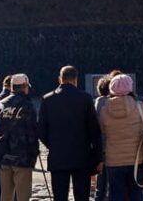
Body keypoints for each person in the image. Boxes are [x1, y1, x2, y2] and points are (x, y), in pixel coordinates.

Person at [38, 65, 103, 201]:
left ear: (59, 79)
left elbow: (42, 130)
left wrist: (53, 145)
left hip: (58, 156)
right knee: (82, 196)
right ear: (76, 80)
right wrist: (98, 156)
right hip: (82, 156)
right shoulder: (85, 98)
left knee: (60, 196)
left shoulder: (47, 99)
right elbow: (94, 130)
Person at [97, 74, 143, 201]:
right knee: (136, 193)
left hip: (113, 160)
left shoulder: (104, 109)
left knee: (115, 194)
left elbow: (102, 131)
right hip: (136, 159)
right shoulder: (139, 106)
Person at [0, 73, 39, 201]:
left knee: (5, 196)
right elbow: (33, 131)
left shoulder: (1, 104)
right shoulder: (27, 105)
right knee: (23, 196)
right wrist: (34, 153)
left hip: (4, 155)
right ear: (24, 87)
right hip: (22, 157)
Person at [93, 75, 114, 201]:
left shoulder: (98, 103)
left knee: (100, 184)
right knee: (113, 185)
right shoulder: (114, 102)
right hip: (114, 148)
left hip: (101, 147)